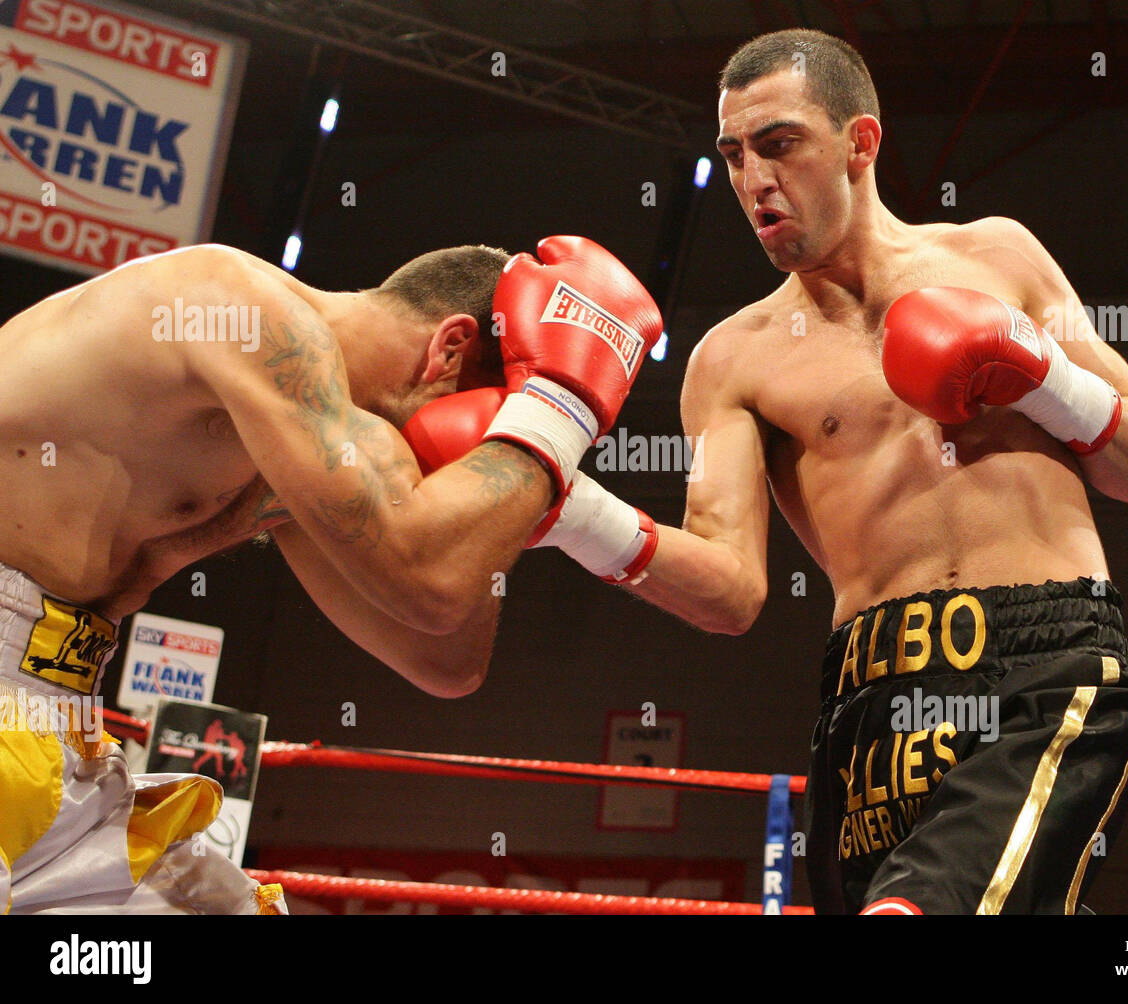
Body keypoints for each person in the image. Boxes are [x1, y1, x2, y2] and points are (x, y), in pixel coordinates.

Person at [524, 29, 1128, 914]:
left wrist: (1049, 379)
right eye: (732, 155)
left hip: (1042, 665)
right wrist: (567, 504)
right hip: (871, 698)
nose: (753, 179)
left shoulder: (1001, 259)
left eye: (779, 144)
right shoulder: (732, 360)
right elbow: (729, 591)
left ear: (859, 143)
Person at [0, 235, 661, 913]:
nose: (473, 461)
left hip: (53, 725)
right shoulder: (242, 308)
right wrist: (555, 411)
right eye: (490, 423)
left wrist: (516, 500)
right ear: (450, 351)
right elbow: (428, 581)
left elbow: (447, 657)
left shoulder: (314, 451)